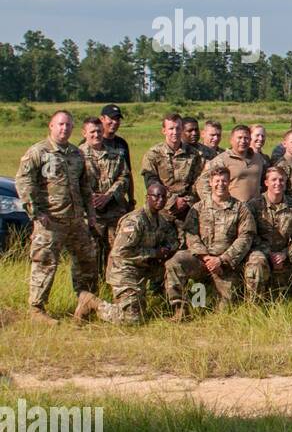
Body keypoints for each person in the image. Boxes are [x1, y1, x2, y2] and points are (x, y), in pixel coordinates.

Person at [15, 110, 99, 323]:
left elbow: (85, 187)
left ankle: (86, 303)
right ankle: (36, 309)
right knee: (44, 263)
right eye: (60, 124)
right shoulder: (39, 152)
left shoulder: (76, 154)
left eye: (68, 125)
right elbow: (23, 182)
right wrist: (36, 213)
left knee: (87, 260)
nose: (64, 129)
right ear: (51, 126)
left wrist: (90, 215)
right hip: (50, 222)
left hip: (75, 220)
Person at [73, 181, 177, 325]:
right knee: (132, 319)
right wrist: (154, 253)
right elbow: (122, 252)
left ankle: (174, 306)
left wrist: (168, 249)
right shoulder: (135, 221)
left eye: (164, 197)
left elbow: (173, 240)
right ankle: (91, 302)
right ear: (147, 197)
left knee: (174, 265)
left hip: (142, 269)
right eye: (156, 196)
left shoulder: (161, 220)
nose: (160, 200)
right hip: (124, 271)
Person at [165, 166, 255, 319]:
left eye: (224, 181)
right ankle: (180, 310)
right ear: (211, 183)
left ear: (229, 183)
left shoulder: (241, 208)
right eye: (217, 181)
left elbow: (245, 238)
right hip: (201, 260)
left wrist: (221, 260)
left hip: (226, 265)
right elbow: (191, 235)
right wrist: (206, 258)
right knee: (175, 262)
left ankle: (206, 297)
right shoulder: (198, 208)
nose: (220, 184)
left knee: (224, 313)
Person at [244, 166, 292, 301]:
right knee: (257, 263)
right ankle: (254, 304)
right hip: (259, 252)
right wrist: (269, 254)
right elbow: (248, 234)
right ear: (266, 183)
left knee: (283, 299)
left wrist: (285, 254)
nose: (278, 183)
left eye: (281, 180)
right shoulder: (254, 206)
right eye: (274, 180)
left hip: (283, 254)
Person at [80, 116, 131, 278]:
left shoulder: (116, 155)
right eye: (92, 132)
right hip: (89, 214)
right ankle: (92, 291)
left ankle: (112, 287)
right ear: (84, 133)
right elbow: (72, 182)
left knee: (115, 252)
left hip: (114, 213)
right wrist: (91, 197)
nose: (96, 135)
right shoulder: (76, 155)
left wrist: (108, 195)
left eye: (99, 131)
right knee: (91, 254)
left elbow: (125, 178)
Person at [142, 113, 205, 224]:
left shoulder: (194, 154)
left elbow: (197, 181)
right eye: (171, 128)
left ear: (182, 129)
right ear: (164, 131)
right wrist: (172, 201)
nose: (175, 132)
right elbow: (151, 182)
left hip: (186, 209)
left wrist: (185, 202)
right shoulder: (153, 154)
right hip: (160, 209)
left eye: (178, 128)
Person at [200, 124, 268, 204]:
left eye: (246, 138)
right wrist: (214, 203)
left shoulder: (258, 158)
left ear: (250, 140)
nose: (243, 141)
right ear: (231, 140)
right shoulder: (222, 160)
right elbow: (202, 183)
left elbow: (266, 181)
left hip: (256, 209)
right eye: (239, 138)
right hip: (233, 210)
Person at [95, 104, 135, 211]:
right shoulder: (90, 143)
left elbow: (128, 174)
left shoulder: (122, 144)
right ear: (102, 119)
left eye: (117, 119)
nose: (115, 122)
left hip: (117, 206)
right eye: (111, 119)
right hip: (95, 206)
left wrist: (131, 200)